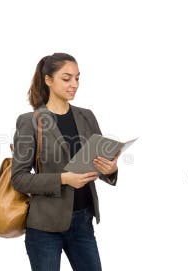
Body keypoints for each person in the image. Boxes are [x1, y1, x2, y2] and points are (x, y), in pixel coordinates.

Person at [11, 52, 120, 271]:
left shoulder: (86, 116)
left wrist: (110, 169)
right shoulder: (30, 122)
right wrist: (63, 179)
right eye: (66, 78)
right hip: (45, 226)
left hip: (83, 221)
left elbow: (97, 161)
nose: (74, 84)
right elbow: (19, 178)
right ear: (48, 80)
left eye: (77, 78)